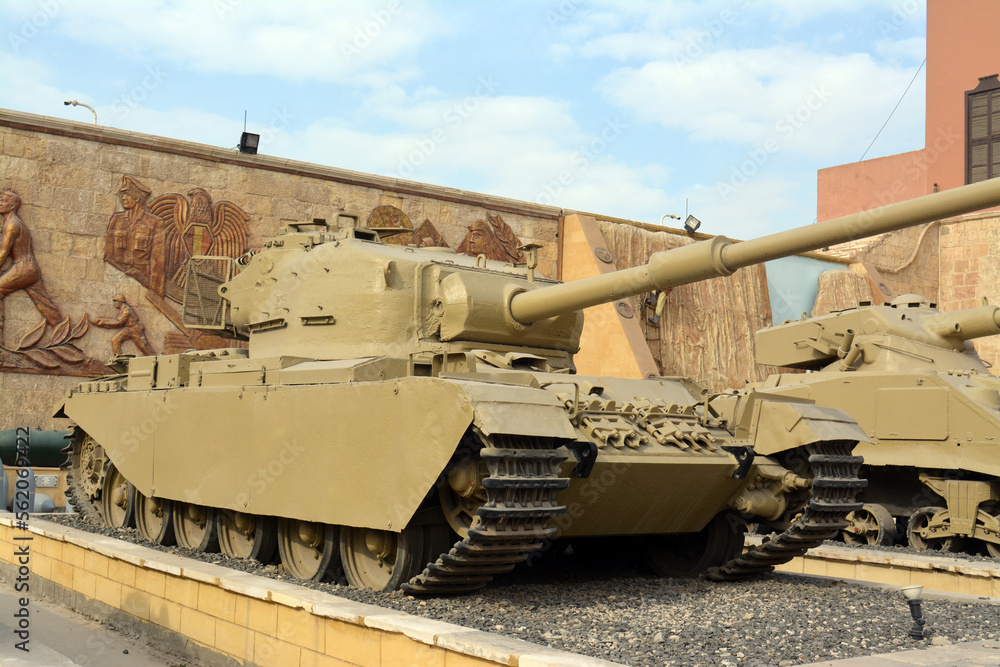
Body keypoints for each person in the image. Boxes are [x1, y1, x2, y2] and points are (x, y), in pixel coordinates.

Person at [0, 189, 64, 338]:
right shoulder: (13, 223)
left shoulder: (12, 225)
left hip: (23, 267)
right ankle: (61, 328)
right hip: (30, 269)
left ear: (12, 206)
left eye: (4, 201)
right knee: (44, 303)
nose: (0, 203)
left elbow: (3, 253)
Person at [104, 176, 167, 295]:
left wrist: (145, 282)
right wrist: (125, 270)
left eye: (126, 194)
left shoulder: (154, 223)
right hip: (118, 274)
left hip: (143, 277)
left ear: (137, 197)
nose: (123, 198)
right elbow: (108, 255)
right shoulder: (117, 220)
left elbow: (158, 261)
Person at [89, 294, 154, 356]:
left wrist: (104, 323)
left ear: (120, 302)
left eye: (115, 301)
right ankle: (119, 358)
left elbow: (119, 323)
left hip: (135, 329)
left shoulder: (126, 311)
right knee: (115, 340)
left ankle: (154, 357)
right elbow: (116, 322)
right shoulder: (122, 309)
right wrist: (103, 322)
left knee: (143, 346)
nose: (114, 304)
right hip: (128, 329)